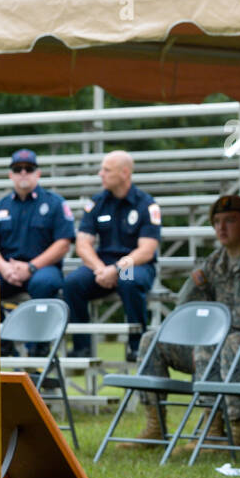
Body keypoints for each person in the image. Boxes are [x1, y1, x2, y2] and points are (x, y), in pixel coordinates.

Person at [123, 194, 240, 450]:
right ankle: (155, 427)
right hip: (216, 349)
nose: (221, 227)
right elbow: (185, 306)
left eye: (229, 220)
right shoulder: (214, 263)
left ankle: (226, 428)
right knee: (152, 339)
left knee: (214, 342)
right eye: (217, 222)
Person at [63, 150, 160, 360]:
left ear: (125, 173)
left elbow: (147, 249)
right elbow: (82, 244)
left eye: (106, 170)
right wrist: (100, 269)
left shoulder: (145, 204)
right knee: (72, 283)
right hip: (102, 266)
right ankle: (81, 347)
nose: (101, 174)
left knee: (128, 281)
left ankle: (137, 346)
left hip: (134, 265)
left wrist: (116, 269)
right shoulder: (97, 203)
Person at [0, 149, 75, 306]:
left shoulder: (54, 203)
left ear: (38, 174)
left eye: (29, 169)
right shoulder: (0, 205)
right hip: (6, 269)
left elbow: (63, 243)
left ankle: (41, 331)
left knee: (44, 284)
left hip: (42, 268)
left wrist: (31, 267)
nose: (23, 173)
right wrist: (4, 267)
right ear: (10, 175)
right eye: (17, 169)